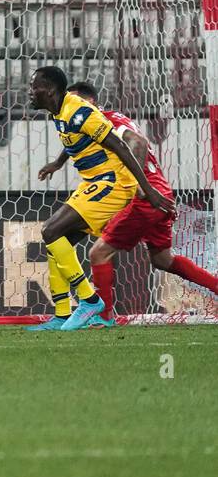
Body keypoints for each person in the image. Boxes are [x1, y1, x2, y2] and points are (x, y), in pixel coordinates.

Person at [38, 81, 218, 326]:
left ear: (89, 102)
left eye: (76, 101)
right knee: (163, 260)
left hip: (145, 196)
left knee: (98, 253)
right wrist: (58, 163)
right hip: (161, 192)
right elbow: (71, 140)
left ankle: (103, 317)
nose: (71, 106)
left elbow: (138, 143)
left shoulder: (106, 121)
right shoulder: (92, 122)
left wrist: (140, 189)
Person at [24, 67, 174, 332]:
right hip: (95, 181)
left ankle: (90, 300)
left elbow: (122, 147)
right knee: (58, 243)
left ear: (49, 90)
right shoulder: (59, 112)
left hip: (113, 183)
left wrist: (148, 190)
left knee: (50, 231)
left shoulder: (79, 112)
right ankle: (61, 314)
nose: (29, 92)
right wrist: (57, 163)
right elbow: (73, 138)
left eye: (33, 87)